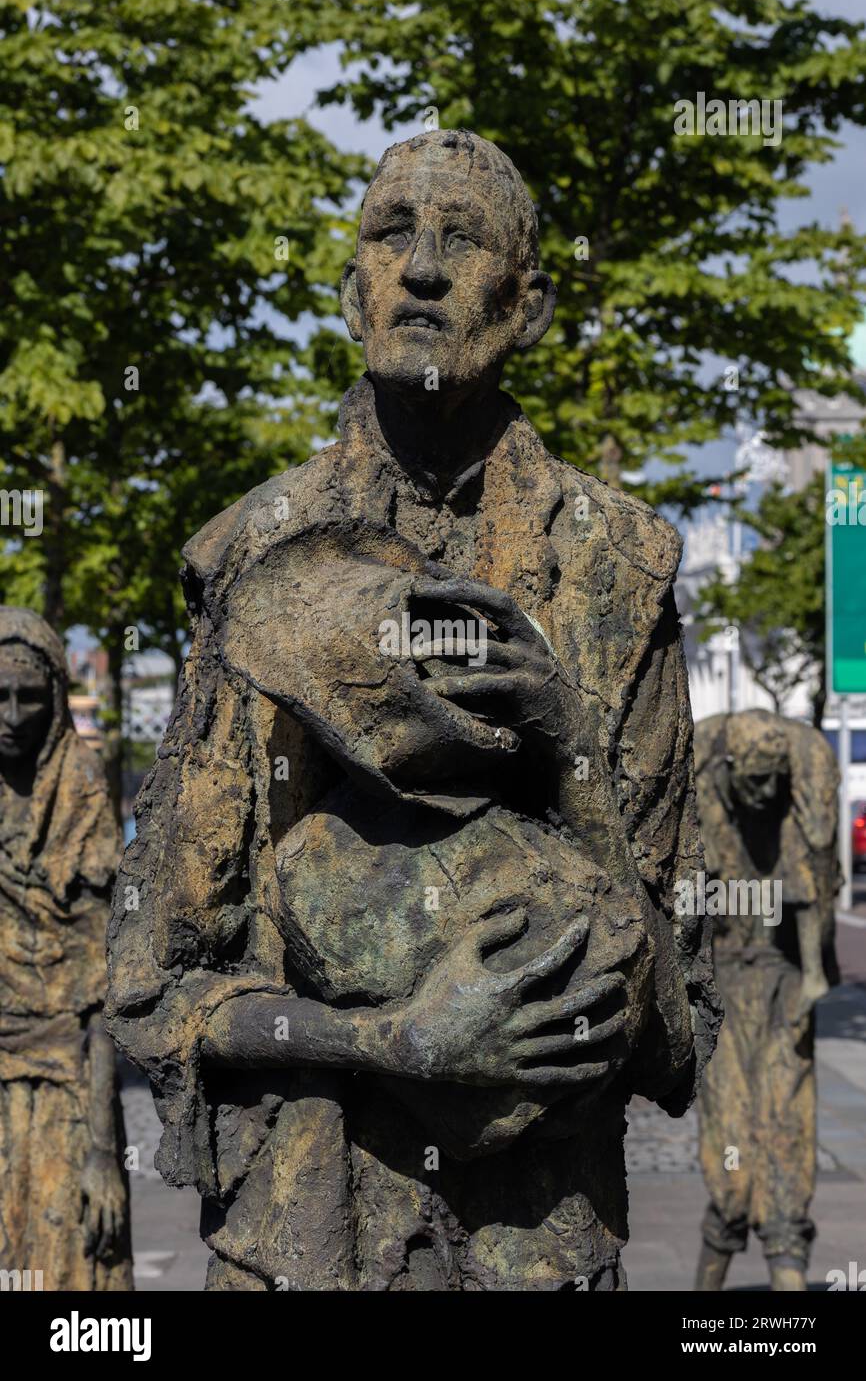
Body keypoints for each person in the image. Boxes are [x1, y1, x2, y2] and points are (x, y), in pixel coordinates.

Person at [107, 130, 720, 1291]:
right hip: (307, 1236)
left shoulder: (621, 569)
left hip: (535, 1241)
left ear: (525, 306)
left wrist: (568, 748)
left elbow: (673, 1029)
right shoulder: (253, 557)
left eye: (463, 238)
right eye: (393, 234)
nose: (423, 269)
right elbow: (156, 985)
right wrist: (386, 1042)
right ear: (351, 293)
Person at [0, 607, 132, 1290]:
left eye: (30, 696)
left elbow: (100, 995)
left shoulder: (80, 796)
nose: (14, 714)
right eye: (0, 695)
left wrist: (104, 1153)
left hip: (63, 1098)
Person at [693, 709, 839, 1291]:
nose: (766, 794)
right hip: (721, 982)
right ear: (728, 769)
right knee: (729, 1149)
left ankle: (788, 1285)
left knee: (785, 1132)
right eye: (754, 782)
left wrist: (812, 981)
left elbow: (811, 880)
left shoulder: (804, 773)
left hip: (783, 979)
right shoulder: (698, 772)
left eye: (774, 780)